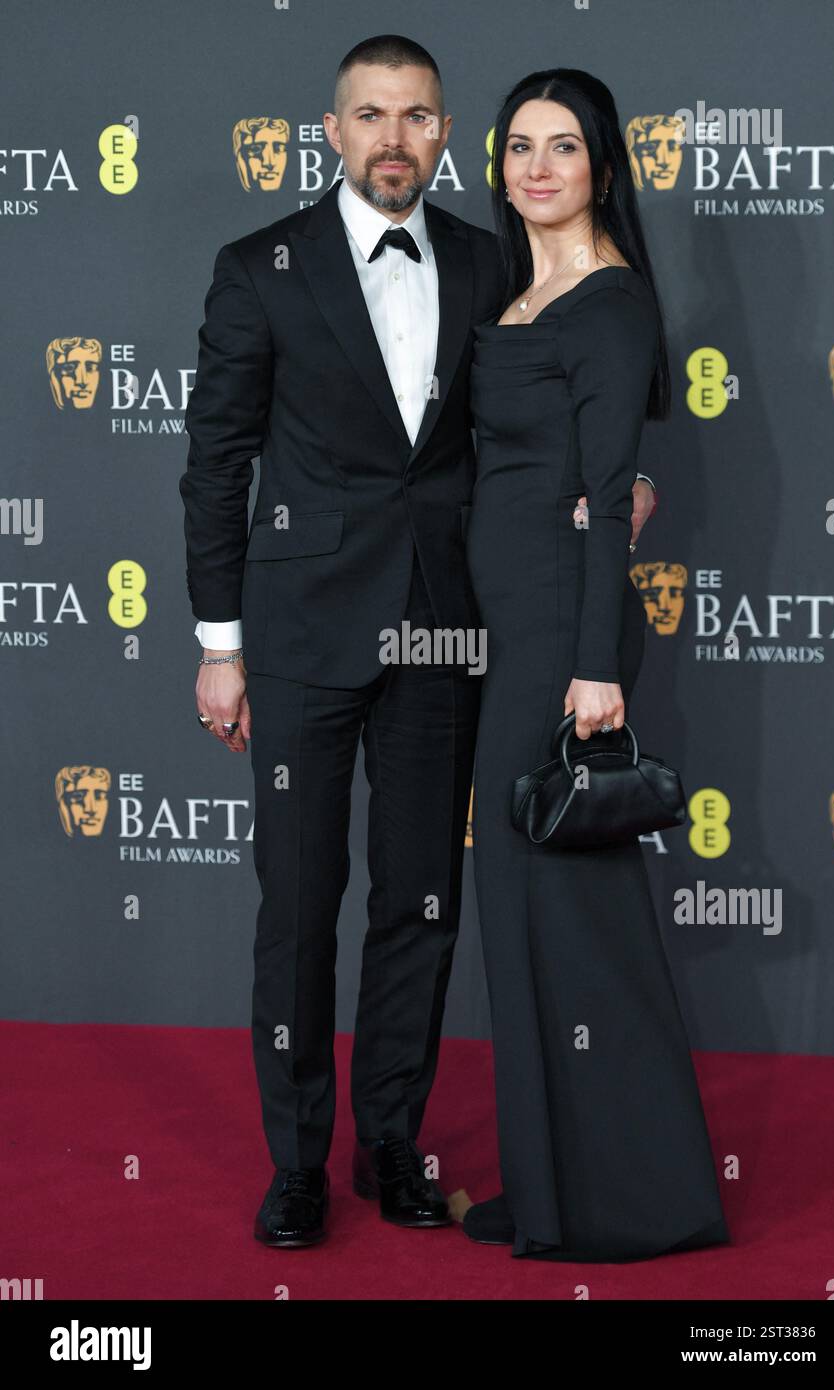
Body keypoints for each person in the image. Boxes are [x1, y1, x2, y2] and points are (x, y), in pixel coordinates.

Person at [180, 37, 657, 1249]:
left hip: (447, 629)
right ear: (332, 132)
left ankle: (390, 1139)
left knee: (421, 901)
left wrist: (611, 497)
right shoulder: (259, 268)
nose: (394, 138)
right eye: (369, 116)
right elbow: (216, 464)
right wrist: (218, 642)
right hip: (294, 634)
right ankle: (296, 1162)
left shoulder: (494, 258)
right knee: (297, 904)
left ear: (446, 136)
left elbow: (545, 419)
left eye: (418, 118)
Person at [462, 68, 730, 1260]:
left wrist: (591, 668)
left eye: (560, 147)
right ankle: (554, 1186)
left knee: (573, 911)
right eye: (518, 145)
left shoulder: (609, 304)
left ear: (601, 166)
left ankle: (635, 1201)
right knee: (524, 909)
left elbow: (608, 492)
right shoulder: (526, 291)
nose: (535, 168)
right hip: (519, 629)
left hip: (561, 643)